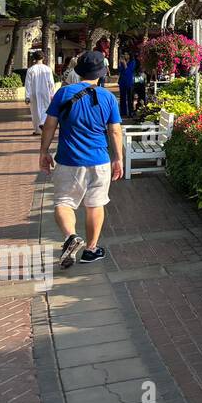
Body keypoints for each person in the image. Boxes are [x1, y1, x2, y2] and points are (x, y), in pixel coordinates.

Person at [39, 50, 123, 268]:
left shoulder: (63, 93)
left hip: (68, 159)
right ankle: (90, 250)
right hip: (100, 159)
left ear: (78, 71)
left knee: (63, 203)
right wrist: (118, 159)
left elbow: (49, 125)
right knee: (95, 204)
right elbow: (114, 131)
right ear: (102, 72)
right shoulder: (108, 97)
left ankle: (70, 236)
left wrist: (44, 151)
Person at [24, 51, 55, 134]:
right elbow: (51, 83)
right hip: (45, 92)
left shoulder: (30, 70)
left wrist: (27, 96)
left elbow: (27, 83)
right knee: (46, 108)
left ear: (34, 58)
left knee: (35, 111)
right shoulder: (48, 69)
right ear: (43, 58)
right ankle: (42, 123)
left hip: (34, 92)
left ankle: (38, 130)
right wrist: (52, 94)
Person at [118, 51, 139, 119]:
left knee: (130, 98)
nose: (125, 55)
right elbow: (120, 70)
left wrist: (124, 64)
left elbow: (128, 72)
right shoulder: (122, 61)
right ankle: (123, 112)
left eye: (126, 54)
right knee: (122, 98)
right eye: (125, 54)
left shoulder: (132, 62)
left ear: (129, 55)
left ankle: (131, 112)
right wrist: (120, 63)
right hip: (122, 82)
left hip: (129, 82)